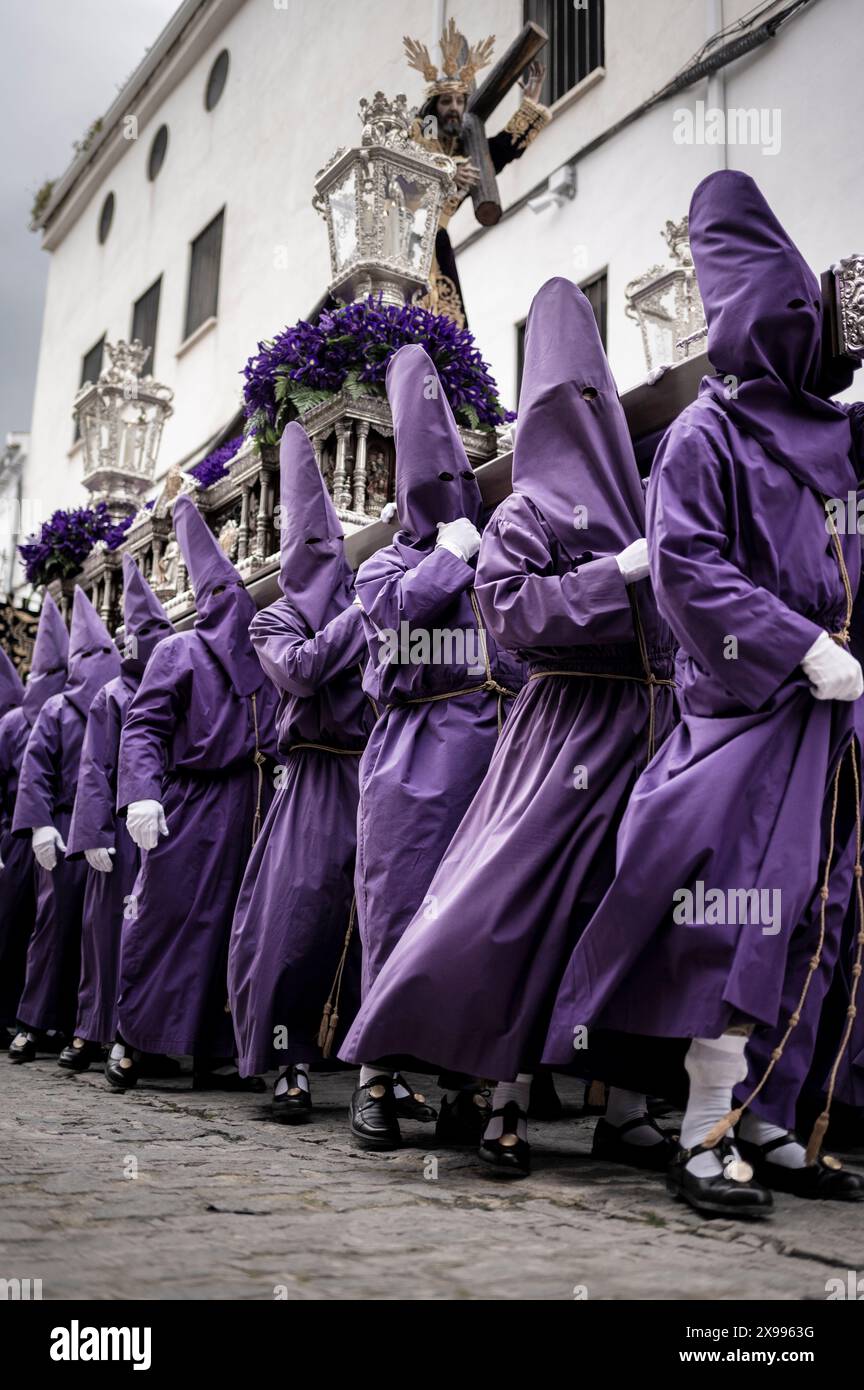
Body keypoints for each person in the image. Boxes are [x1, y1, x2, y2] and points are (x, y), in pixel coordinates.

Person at [542, 171, 864, 1216]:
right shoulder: (705, 437)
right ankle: (700, 1131)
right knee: (734, 916)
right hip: (751, 714)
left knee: (821, 913)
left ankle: (764, 1108)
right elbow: (686, 569)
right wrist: (793, 643)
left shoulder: (837, 441)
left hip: (833, 719)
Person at [340, 279, 678, 1177]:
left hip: (567, 731)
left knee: (621, 906)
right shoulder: (427, 553)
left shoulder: (629, 500)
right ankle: (408, 1079)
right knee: (454, 908)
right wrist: (448, 567)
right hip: (442, 748)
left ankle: (605, 1097)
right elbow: (445, 628)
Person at [340, 343, 522, 1149]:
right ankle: (378, 1074)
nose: (444, 501)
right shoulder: (382, 566)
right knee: (398, 908)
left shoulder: (496, 553)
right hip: (412, 755)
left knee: (475, 921)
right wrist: (446, 560)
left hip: (492, 753)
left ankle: (467, 1085)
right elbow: (393, 632)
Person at [228, 423, 377, 1120]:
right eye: (308, 549)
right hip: (317, 778)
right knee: (300, 912)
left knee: (381, 912)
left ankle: (377, 1062)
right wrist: (364, 614)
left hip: (376, 771)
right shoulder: (273, 621)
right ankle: (288, 1060)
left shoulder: (370, 598)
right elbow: (302, 671)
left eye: (331, 549)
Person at [113, 495, 279, 1091]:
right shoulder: (176, 651)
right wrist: (141, 793)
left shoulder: (261, 655)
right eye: (221, 594)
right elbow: (146, 725)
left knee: (234, 928)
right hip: (187, 804)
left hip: (250, 805)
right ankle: (133, 1041)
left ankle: (216, 1051)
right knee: (164, 917)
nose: (234, 604)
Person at [59, 555, 173, 1073]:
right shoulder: (113, 694)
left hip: (160, 830)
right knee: (105, 931)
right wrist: (93, 834)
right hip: (118, 835)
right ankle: (92, 1029)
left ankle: (142, 1037)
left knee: (150, 934)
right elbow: (93, 768)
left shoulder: (175, 682)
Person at [10, 589, 120, 1061]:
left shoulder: (120, 699)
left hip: (102, 828)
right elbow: (36, 772)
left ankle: (87, 1024)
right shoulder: (55, 711)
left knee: (97, 933)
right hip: (60, 826)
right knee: (53, 928)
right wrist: (38, 826)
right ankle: (35, 1021)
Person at [405, 18, 548, 327]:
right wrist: (447, 172)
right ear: (433, 106)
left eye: (459, 100)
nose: (454, 107)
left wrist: (530, 104)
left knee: (450, 326)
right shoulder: (419, 133)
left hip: (438, 243)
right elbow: (410, 169)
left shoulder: (465, 147)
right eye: (446, 101)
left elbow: (501, 151)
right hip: (406, 238)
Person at [0, 599, 68, 1040]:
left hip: (55, 833)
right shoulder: (10, 725)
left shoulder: (66, 714)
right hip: (14, 837)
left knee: (43, 927)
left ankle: (40, 1017)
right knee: (11, 926)